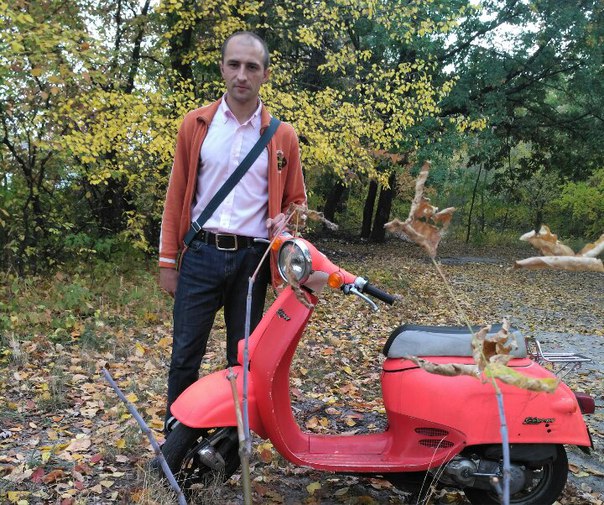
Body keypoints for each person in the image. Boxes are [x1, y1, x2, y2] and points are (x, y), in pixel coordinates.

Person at [158, 31, 306, 431]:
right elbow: (176, 196)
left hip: (252, 262)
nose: (242, 75)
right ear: (222, 68)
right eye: (234, 65)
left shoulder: (282, 136)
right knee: (184, 356)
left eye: (252, 67)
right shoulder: (197, 125)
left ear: (265, 74)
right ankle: (174, 442)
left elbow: (297, 203)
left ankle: (226, 445)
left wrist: (286, 221)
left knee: (241, 360)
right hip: (200, 254)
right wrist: (168, 261)